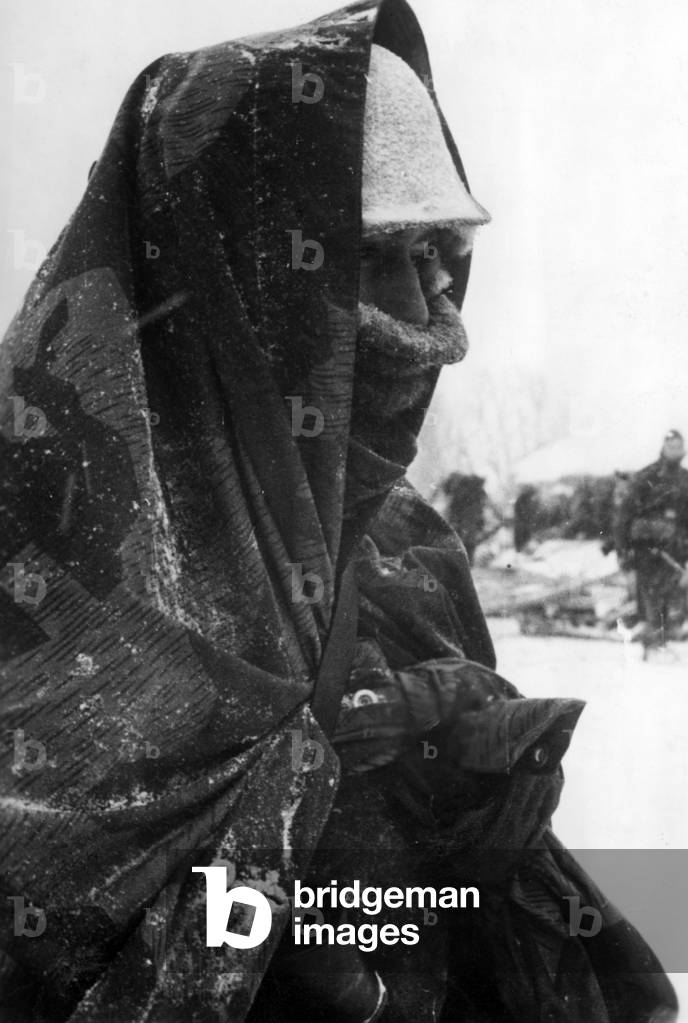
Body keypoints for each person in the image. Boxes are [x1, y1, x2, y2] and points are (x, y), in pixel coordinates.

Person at [0, 2, 677, 1021]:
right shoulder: (49, 564)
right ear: (233, 277)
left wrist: (464, 797)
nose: (435, 330)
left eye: (441, 262)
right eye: (372, 260)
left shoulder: (409, 547)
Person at [615, 429, 688, 655]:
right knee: (650, 596)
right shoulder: (647, 476)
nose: (675, 451)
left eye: (679, 446)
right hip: (647, 548)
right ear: (663, 447)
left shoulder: (685, 479)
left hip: (675, 548)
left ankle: (661, 642)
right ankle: (652, 646)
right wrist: (622, 551)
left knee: (671, 597)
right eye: (671, 446)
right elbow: (624, 516)